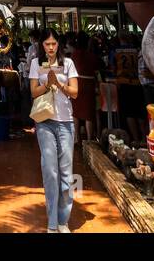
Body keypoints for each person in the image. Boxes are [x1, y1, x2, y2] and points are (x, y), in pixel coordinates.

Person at [29, 27, 79, 233]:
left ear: (59, 45)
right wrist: (47, 84)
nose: (50, 47)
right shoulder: (36, 64)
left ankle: (62, 220)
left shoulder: (68, 64)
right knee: (50, 171)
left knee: (66, 173)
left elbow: (75, 92)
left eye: (54, 43)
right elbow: (33, 92)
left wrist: (59, 85)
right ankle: (52, 223)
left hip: (66, 122)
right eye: (47, 44)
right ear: (42, 45)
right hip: (45, 122)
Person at [68, 32, 101, 143]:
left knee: (76, 112)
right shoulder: (91, 55)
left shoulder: (74, 55)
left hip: (76, 83)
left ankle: (77, 137)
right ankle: (90, 139)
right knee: (88, 113)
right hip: (89, 84)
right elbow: (96, 71)